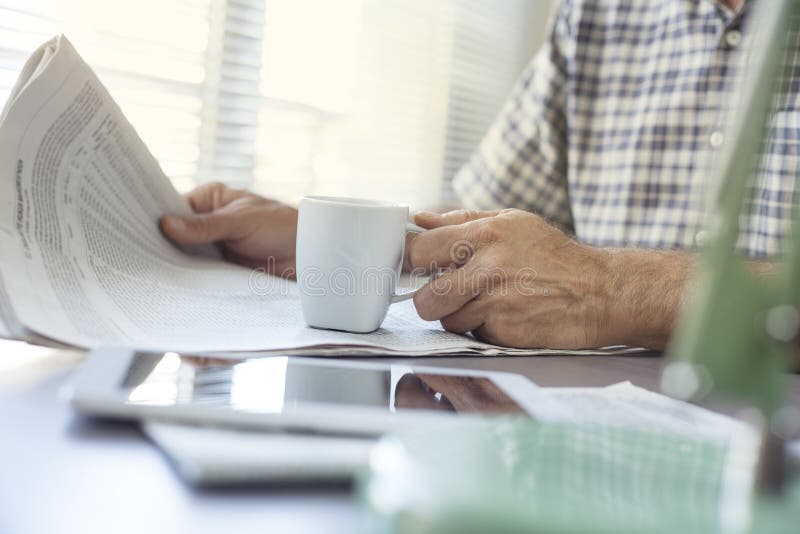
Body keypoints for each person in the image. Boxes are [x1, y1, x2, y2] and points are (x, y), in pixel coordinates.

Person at [160, 0, 798, 351]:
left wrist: (613, 289)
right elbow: (486, 233)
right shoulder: (602, 14)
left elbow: (576, 278)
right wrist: (329, 239)